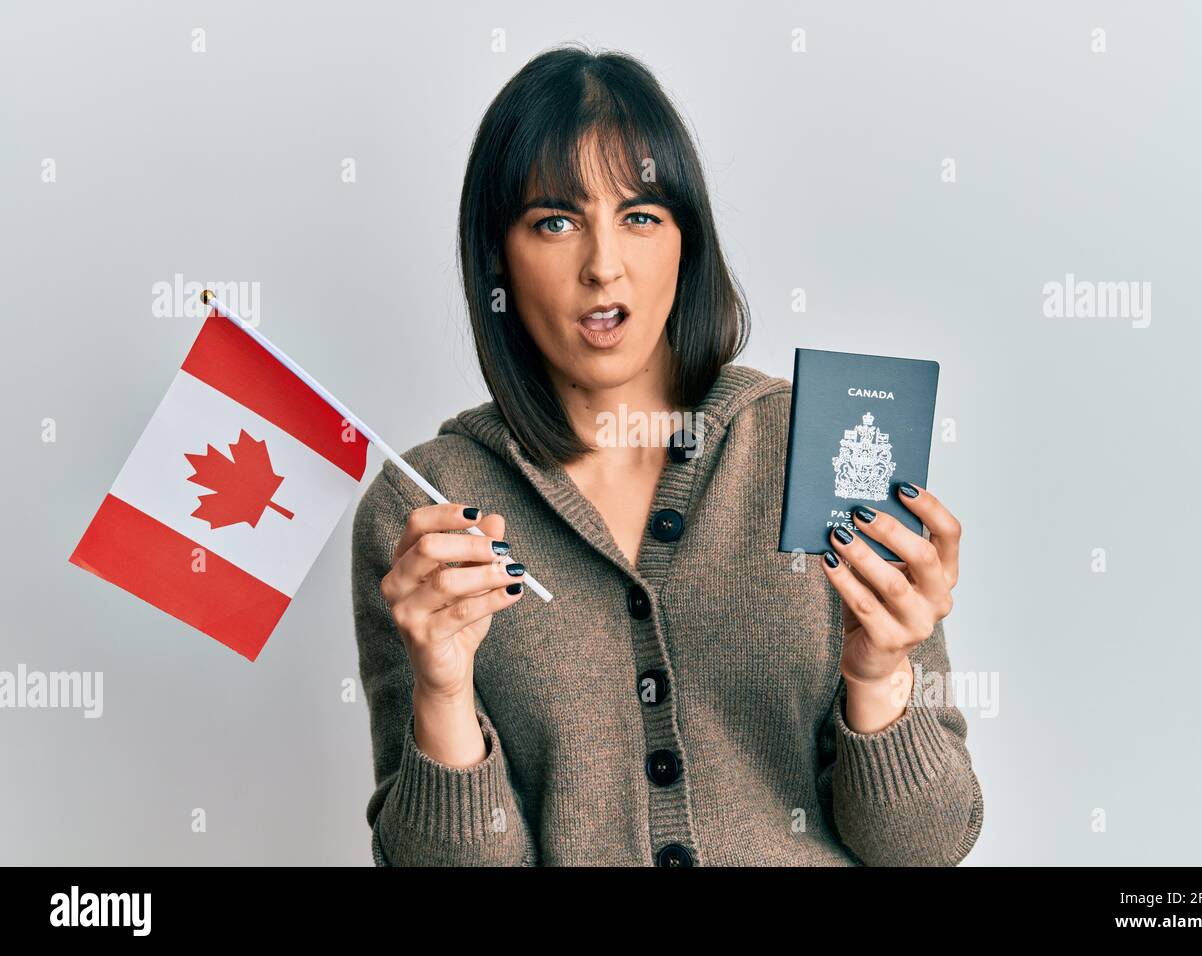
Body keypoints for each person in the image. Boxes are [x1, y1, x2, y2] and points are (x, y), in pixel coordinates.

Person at [352, 43, 983, 866]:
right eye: (555, 221)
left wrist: (879, 678)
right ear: (497, 255)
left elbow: (927, 846)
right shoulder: (426, 509)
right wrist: (443, 697)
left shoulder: (821, 450)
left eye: (641, 216)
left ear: (687, 245)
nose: (602, 264)